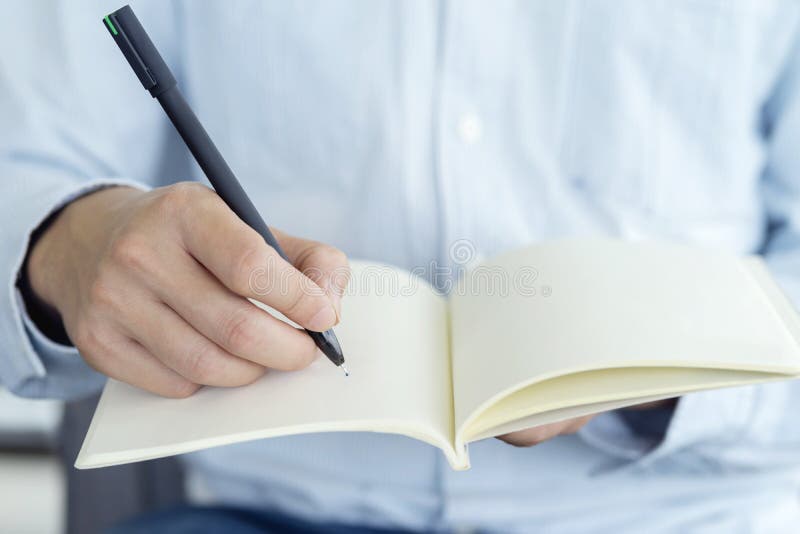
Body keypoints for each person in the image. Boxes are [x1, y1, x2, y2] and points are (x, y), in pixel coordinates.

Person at [2, 1, 800, 532]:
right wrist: (74, 241)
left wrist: (665, 355)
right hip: (264, 506)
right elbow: (27, 159)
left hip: (688, 510)